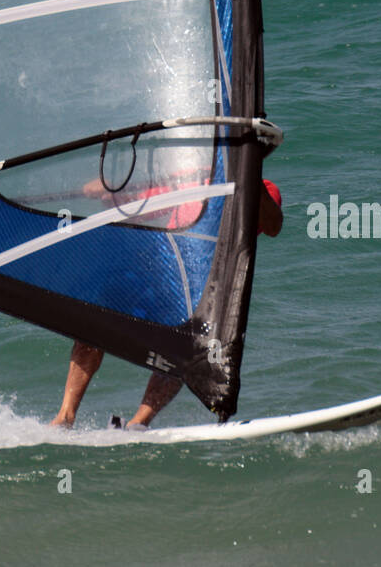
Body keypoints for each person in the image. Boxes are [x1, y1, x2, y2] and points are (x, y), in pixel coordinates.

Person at [51, 177, 283, 428]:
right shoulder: (192, 179)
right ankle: (65, 417)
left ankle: (138, 424)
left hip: (201, 286)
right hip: (163, 271)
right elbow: (139, 204)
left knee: (183, 347)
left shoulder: (262, 186)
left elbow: (272, 226)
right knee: (95, 318)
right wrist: (111, 190)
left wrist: (250, 182)